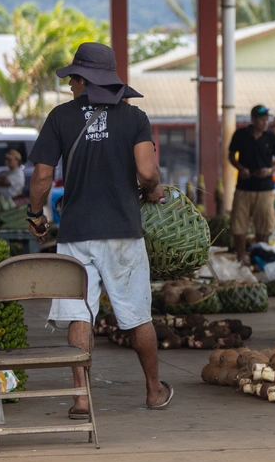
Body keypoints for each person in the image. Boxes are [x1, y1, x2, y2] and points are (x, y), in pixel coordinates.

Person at [24, 43, 172, 414]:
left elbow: (42, 176)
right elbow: (148, 171)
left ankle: (80, 398)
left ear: (83, 80)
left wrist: (36, 215)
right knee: (137, 313)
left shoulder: (60, 117)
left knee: (79, 313)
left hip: (77, 233)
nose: (70, 86)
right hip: (123, 230)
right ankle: (154, 391)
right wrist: (153, 192)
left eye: (73, 78)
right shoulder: (134, 117)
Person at [227, 105, 275, 263]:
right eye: (262, 119)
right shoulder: (240, 135)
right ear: (253, 119)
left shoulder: (272, 137)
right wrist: (240, 168)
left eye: (267, 119)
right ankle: (240, 256)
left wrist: (270, 170)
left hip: (265, 188)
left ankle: (259, 256)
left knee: (264, 224)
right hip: (243, 187)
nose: (265, 122)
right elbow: (231, 156)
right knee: (239, 223)